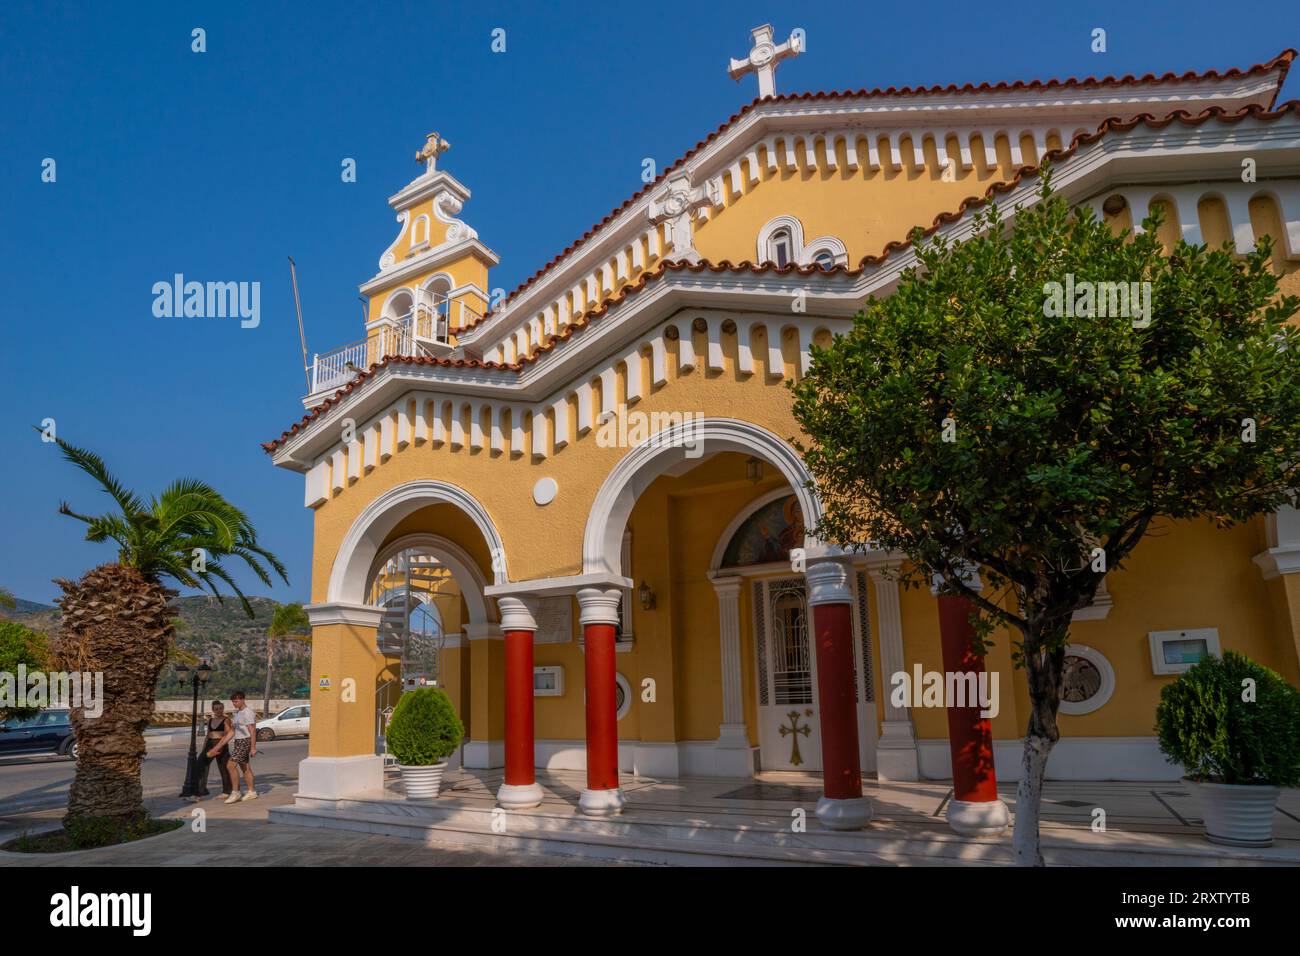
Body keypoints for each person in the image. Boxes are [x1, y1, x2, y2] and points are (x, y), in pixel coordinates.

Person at [220, 691, 259, 803]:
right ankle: (252, 792)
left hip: (245, 741)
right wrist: (221, 744)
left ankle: (235, 792)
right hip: (238, 741)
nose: (234, 703)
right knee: (245, 767)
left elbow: (252, 731)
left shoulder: (248, 713)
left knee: (230, 765)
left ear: (243, 699)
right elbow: (233, 731)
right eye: (233, 701)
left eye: (236, 701)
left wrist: (253, 747)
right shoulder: (238, 713)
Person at [195, 700, 233, 799]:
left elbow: (228, 734)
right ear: (213, 710)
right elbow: (208, 735)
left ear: (223, 709)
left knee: (223, 768)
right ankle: (200, 791)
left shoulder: (226, 720)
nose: (219, 711)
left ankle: (227, 791)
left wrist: (220, 746)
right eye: (216, 709)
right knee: (201, 764)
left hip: (221, 745)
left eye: (220, 708)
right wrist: (204, 748)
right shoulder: (210, 720)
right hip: (210, 744)